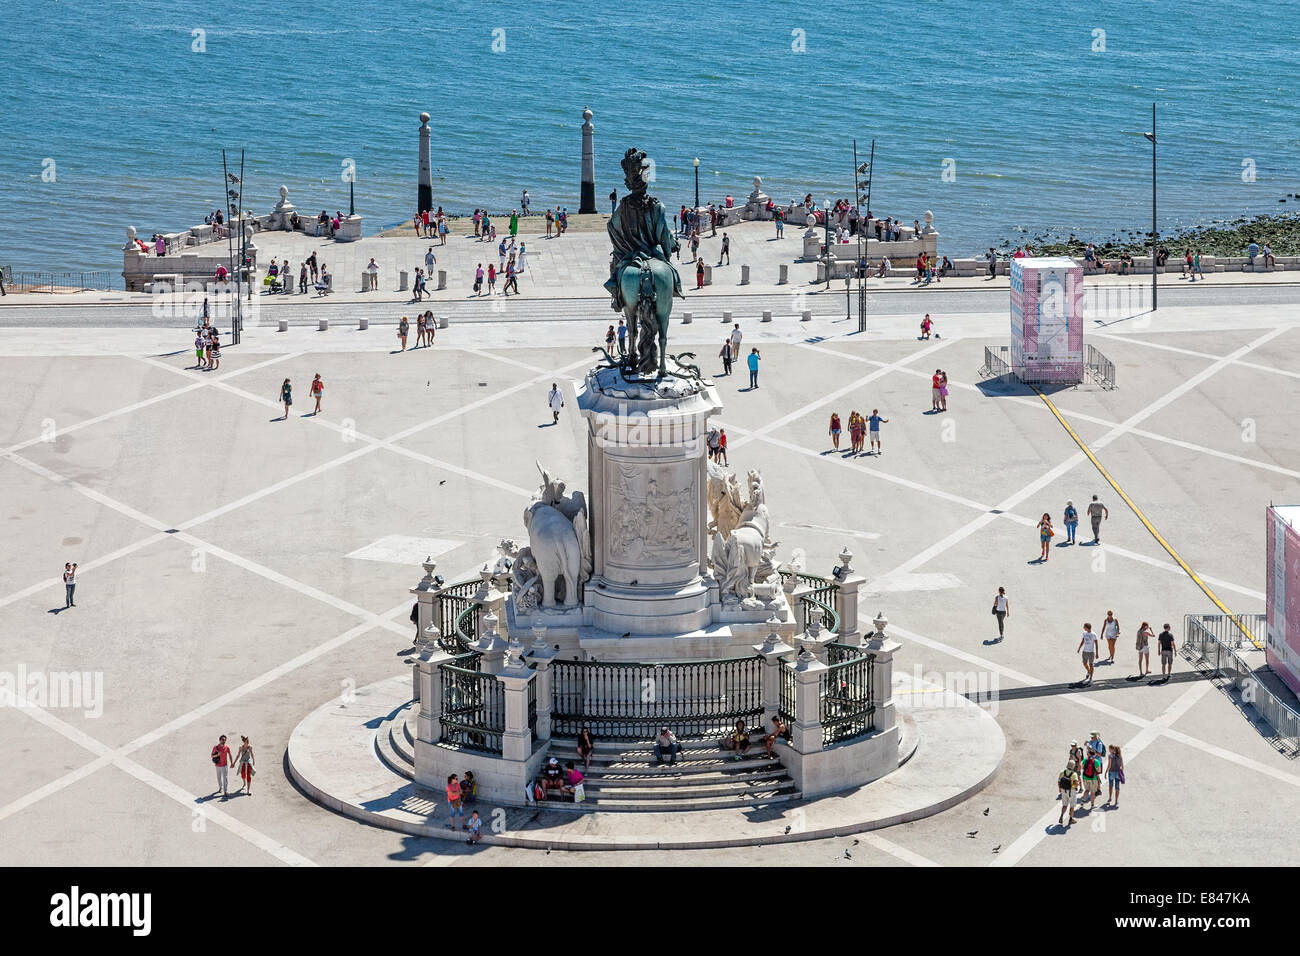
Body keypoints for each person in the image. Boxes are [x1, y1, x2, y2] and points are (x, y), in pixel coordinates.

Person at [1058, 759, 1080, 826]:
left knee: (1064, 805)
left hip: (1063, 790)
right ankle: (1071, 819)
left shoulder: (1062, 772)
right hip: (1071, 791)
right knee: (1072, 806)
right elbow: (1076, 784)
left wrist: (1059, 788)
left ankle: (1061, 815)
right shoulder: (1074, 774)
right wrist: (1076, 784)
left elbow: (1059, 781)